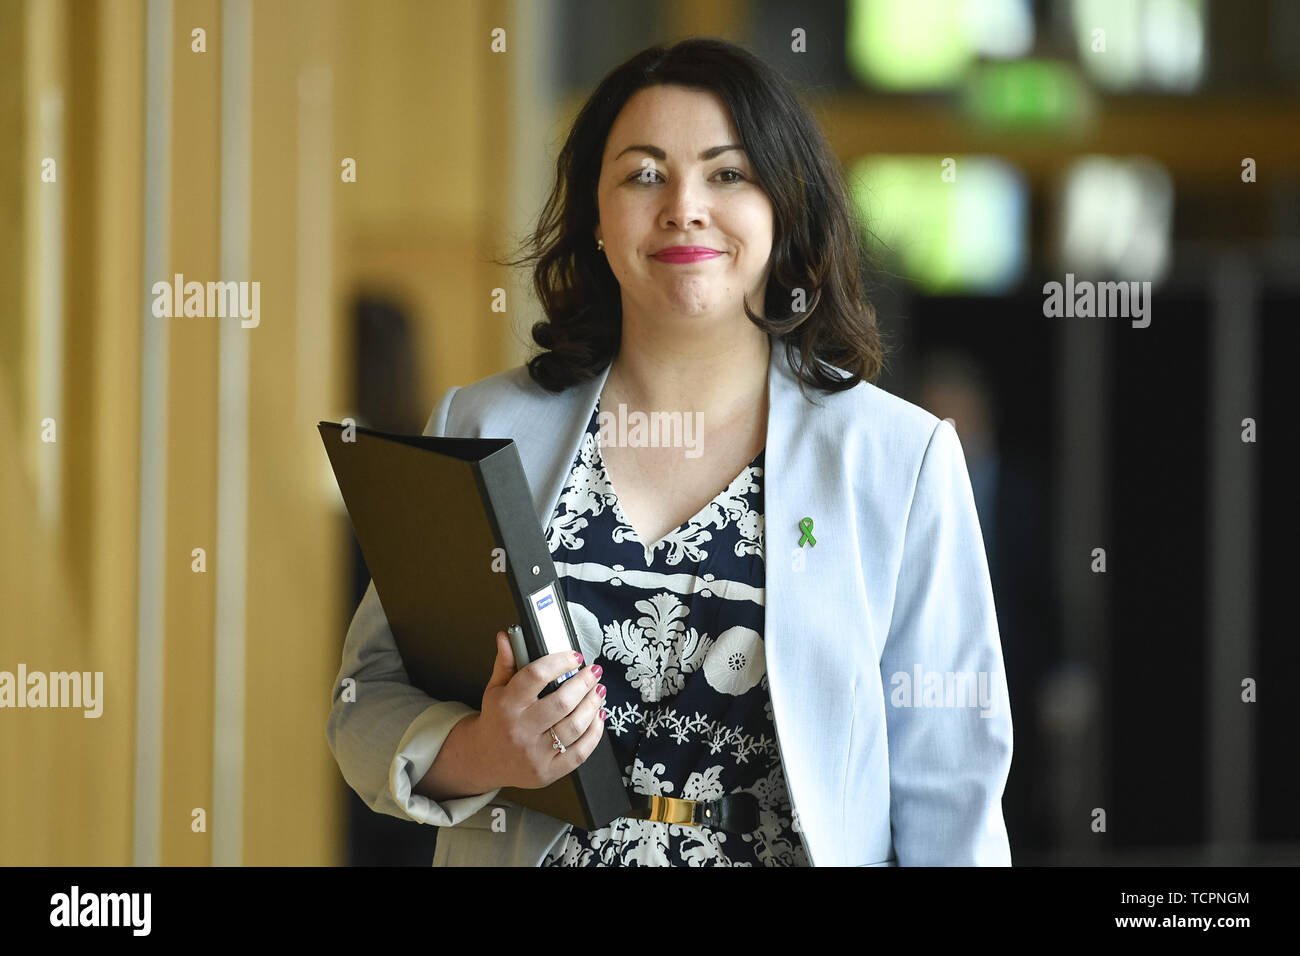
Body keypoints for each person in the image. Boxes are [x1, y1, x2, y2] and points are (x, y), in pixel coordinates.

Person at [326, 37, 1013, 866]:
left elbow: (951, 798)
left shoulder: (899, 462)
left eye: (728, 174)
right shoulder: (481, 423)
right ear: (595, 216)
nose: (684, 205)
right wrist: (483, 752)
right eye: (643, 173)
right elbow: (367, 701)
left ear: (784, 209)